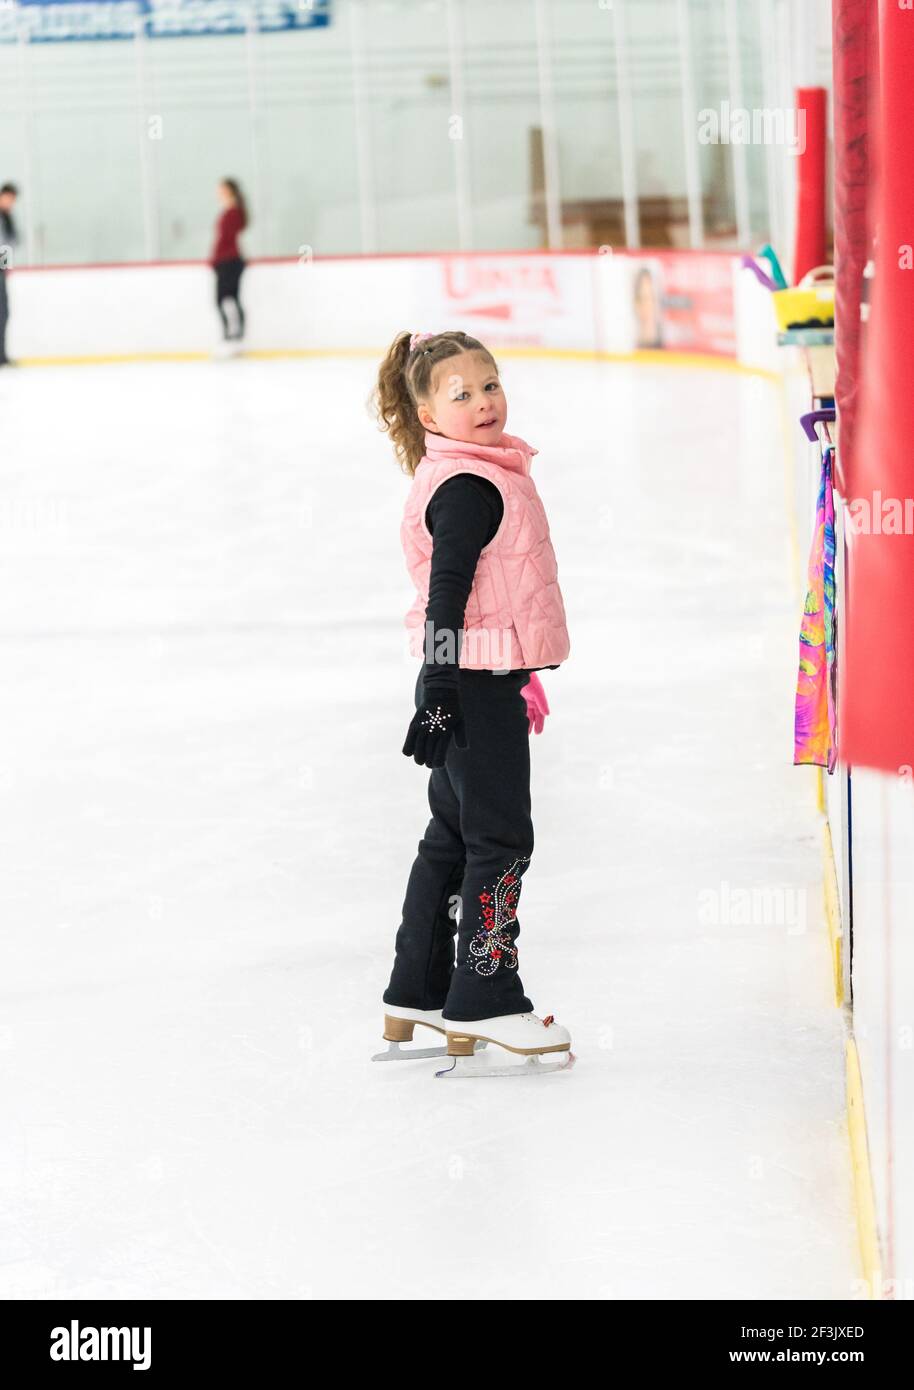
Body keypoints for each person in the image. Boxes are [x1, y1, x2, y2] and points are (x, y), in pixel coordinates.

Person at [370, 329, 574, 1075]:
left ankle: (418, 989)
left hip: (482, 681)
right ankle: (485, 993)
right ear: (427, 411)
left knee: (452, 837)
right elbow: (447, 594)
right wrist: (444, 684)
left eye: (490, 384)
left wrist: (515, 667)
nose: (484, 401)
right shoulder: (469, 486)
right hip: (470, 691)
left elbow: (489, 594)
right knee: (500, 842)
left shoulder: (463, 470)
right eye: (463, 394)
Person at [209, 178, 247, 345]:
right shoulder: (229, 211)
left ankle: (234, 335)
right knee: (223, 299)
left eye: (222, 189)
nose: (218, 192)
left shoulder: (234, 212)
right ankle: (230, 334)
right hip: (224, 261)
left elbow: (227, 238)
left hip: (230, 261)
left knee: (228, 298)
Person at [0, 182, 19, 367]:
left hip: (1, 270)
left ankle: (2, 355)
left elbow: (10, 243)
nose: (11, 203)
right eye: (10, 198)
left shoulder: (7, 217)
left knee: (3, 313)